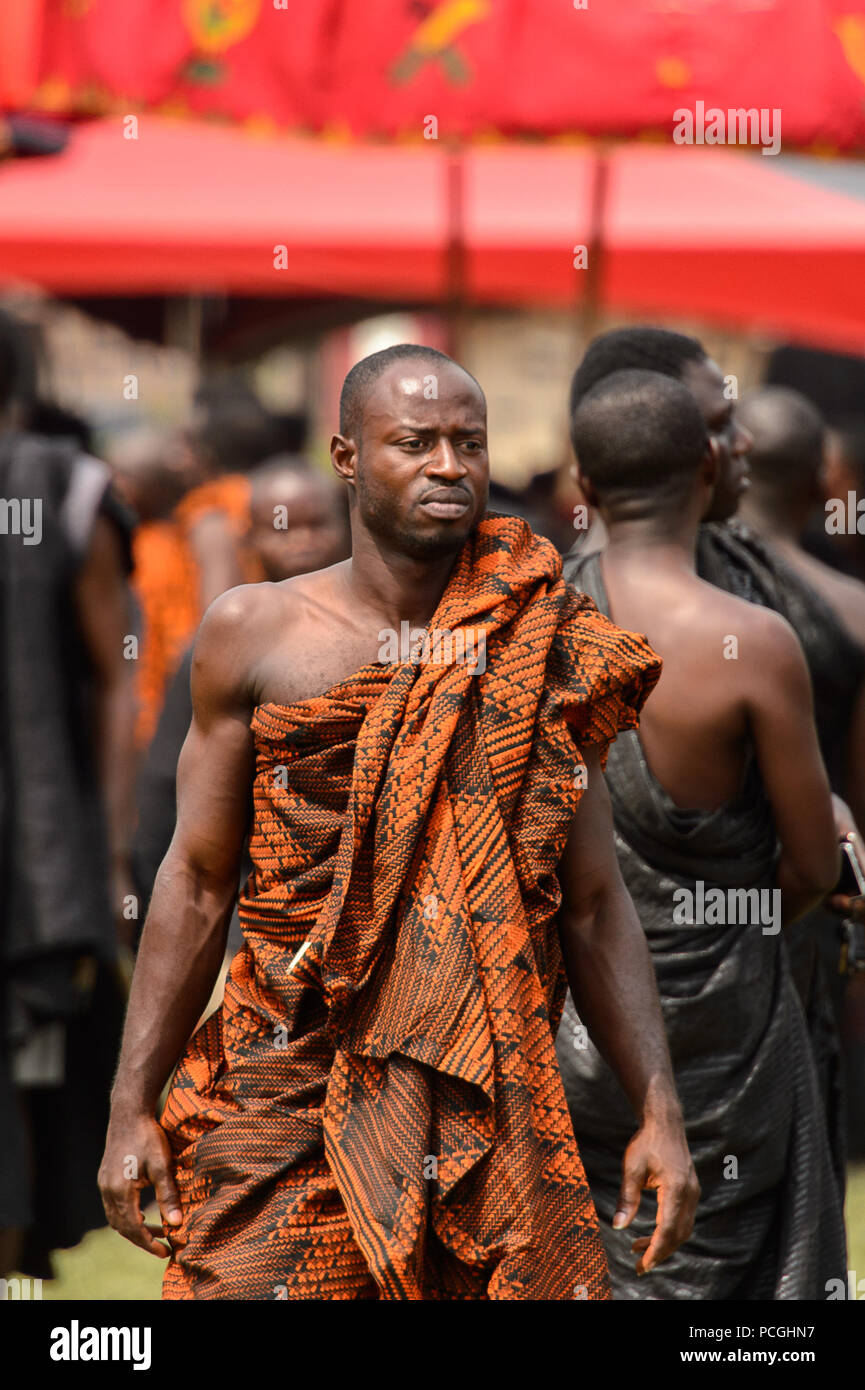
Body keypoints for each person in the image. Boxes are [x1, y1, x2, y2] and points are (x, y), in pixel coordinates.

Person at [100, 344, 698, 1301]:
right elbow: (199, 879)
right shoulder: (253, 633)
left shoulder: (539, 640)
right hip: (284, 1085)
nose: (449, 467)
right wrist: (132, 1103)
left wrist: (660, 1110)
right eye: (414, 443)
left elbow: (589, 901)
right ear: (346, 457)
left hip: (478, 1097)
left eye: (469, 442)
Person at [558, 367, 845, 1300]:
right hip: (726, 1031)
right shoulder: (751, 641)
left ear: (581, 486)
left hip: (561, 1023)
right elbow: (809, 862)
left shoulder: (529, 622)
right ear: (712, 466)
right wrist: (747, 914)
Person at [0, 308, 136, 1278]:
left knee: (18, 1085)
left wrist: (108, 846)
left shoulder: (62, 490)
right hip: (41, 858)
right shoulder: (72, 489)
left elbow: (114, 671)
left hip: (32, 854)